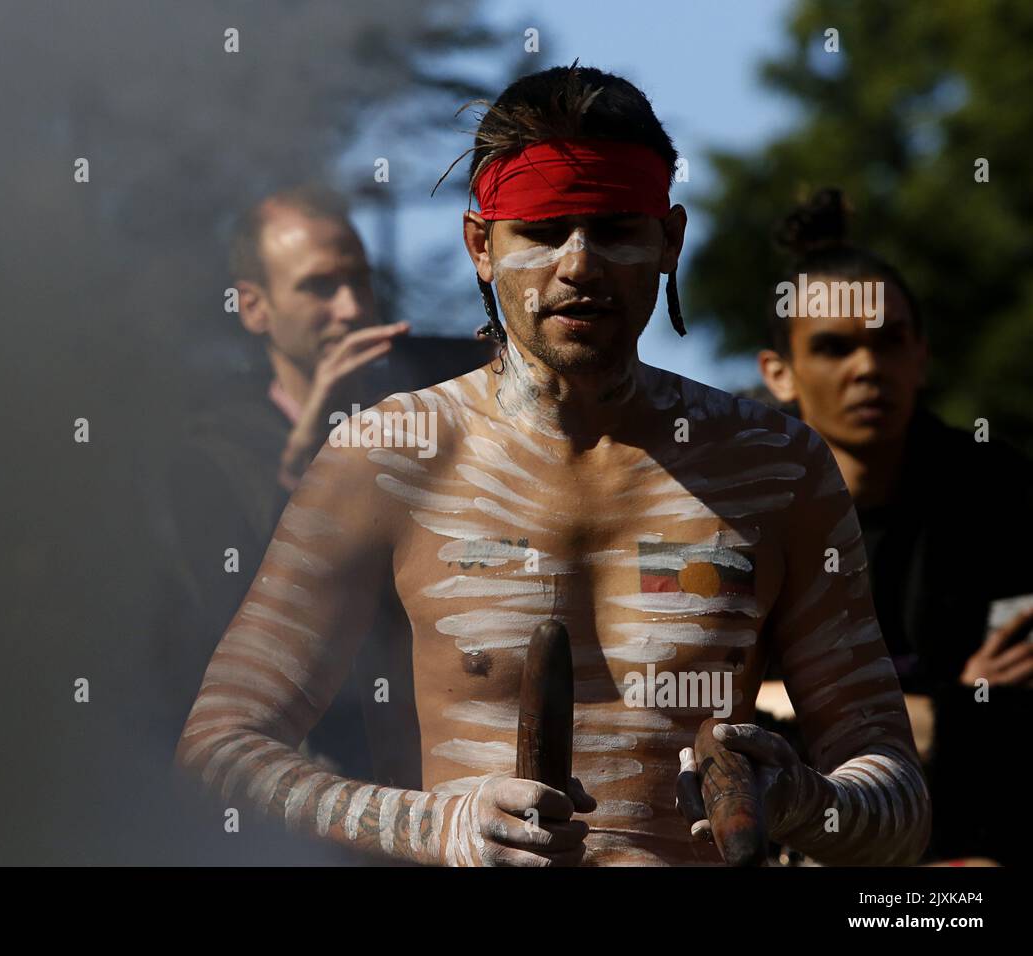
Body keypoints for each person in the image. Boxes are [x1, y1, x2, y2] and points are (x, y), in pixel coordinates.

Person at [175, 64, 930, 866]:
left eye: (614, 230)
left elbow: (902, 805)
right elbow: (220, 749)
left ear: (669, 240)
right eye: (540, 231)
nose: (579, 264)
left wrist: (806, 802)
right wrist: (437, 826)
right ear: (481, 246)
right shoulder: (388, 458)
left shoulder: (777, 467)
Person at [756, 189, 1033, 863]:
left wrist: (798, 703)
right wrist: (935, 712)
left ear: (921, 358)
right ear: (779, 373)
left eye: (889, 343)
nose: (867, 370)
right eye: (833, 348)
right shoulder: (731, 506)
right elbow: (696, 702)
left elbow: (1014, 711)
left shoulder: (1005, 498)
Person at [166, 184, 409, 780]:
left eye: (359, 279)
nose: (352, 307)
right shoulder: (207, 460)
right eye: (320, 286)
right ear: (254, 308)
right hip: (304, 792)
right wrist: (301, 468)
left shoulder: (423, 422)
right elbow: (230, 639)